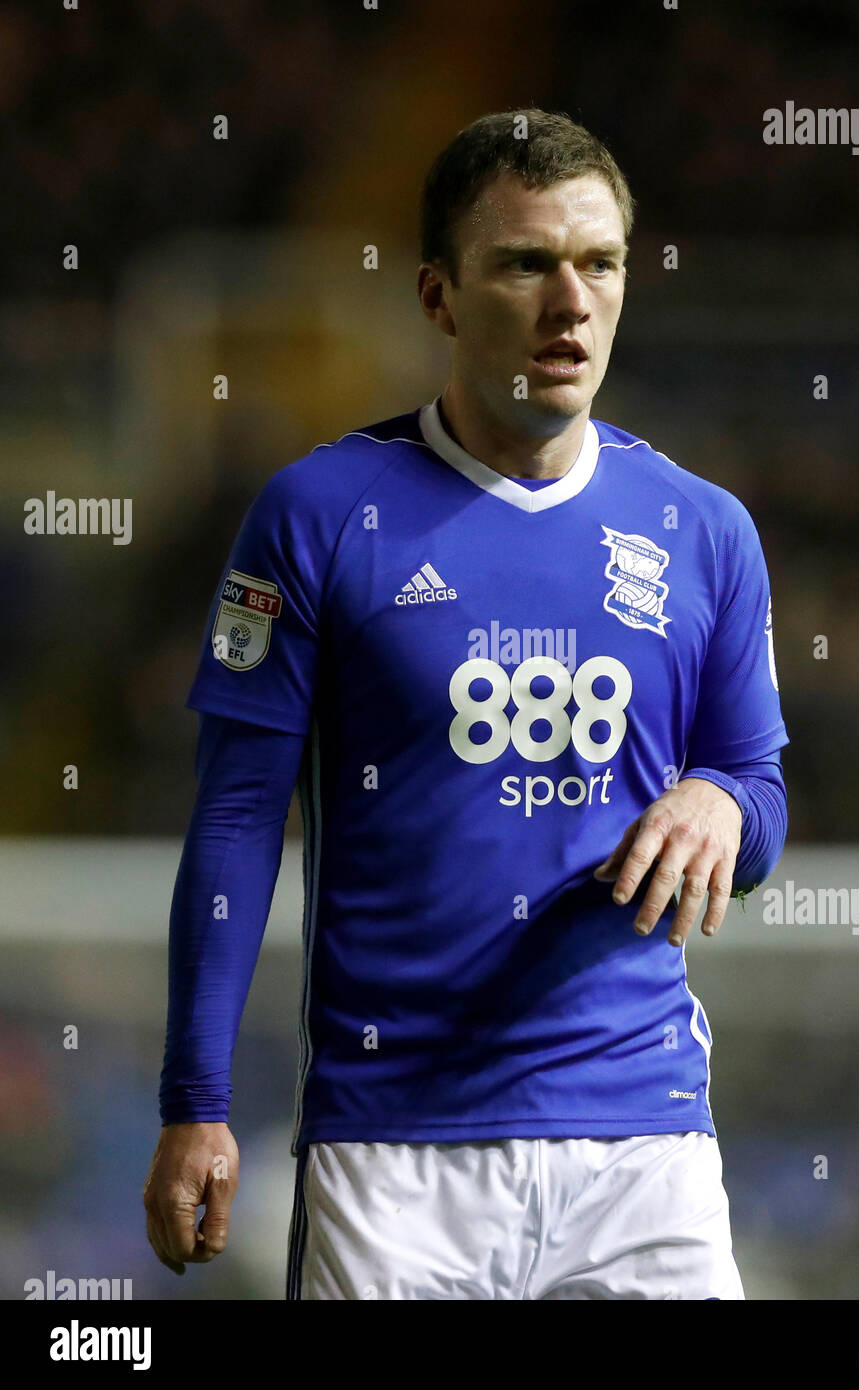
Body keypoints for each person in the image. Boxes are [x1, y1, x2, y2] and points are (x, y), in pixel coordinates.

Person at [144, 107, 789, 1300]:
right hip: (394, 1154)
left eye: (599, 263)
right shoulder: (319, 515)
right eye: (525, 263)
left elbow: (759, 807)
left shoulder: (702, 529)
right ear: (439, 297)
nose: (570, 302)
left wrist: (722, 804)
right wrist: (198, 1101)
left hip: (644, 1141)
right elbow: (237, 818)